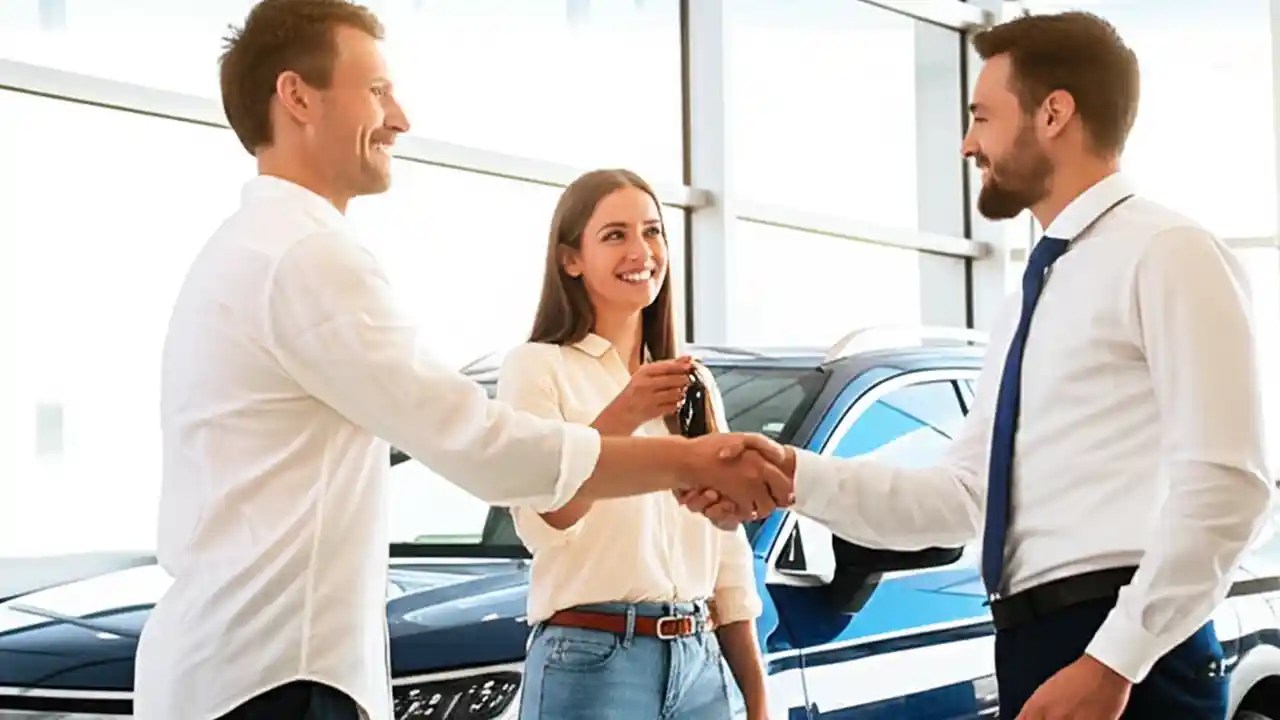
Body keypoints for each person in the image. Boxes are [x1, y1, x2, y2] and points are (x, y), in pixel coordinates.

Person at [134, 2, 790, 719]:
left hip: (243, 668)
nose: (401, 118)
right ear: (297, 97)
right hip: (277, 681)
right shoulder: (306, 256)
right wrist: (693, 461)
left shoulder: (246, 249)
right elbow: (480, 447)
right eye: (379, 90)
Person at [687, 11, 1272, 720]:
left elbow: (1228, 488)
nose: (968, 143)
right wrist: (790, 475)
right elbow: (959, 500)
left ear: (1054, 113)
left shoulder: (1169, 251)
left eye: (982, 117)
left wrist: (1113, 661)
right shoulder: (1032, 295)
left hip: (1125, 656)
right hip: (1042, 644)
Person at [497, 169, 770, 719]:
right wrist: (624, 413)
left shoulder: (692, 383)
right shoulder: (536, 368)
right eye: (615, 235)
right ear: (570, 259)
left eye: (653, 231)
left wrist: (756, 697)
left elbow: (726, 551)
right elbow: (543, 520)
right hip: (592, 660)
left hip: (701, 663)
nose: (641, 250)